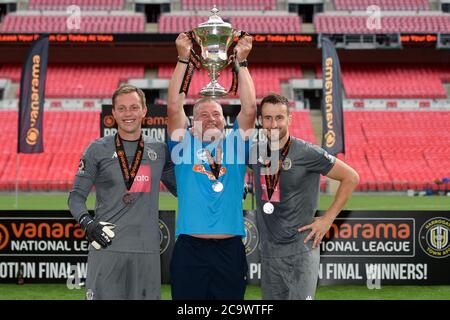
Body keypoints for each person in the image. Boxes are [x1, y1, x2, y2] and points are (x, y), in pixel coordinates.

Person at [167, 32, 256, 300]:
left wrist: (241, 63)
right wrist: (183, 60)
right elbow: (173, 107)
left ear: (224, 119)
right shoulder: (182, 146)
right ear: (192, 122)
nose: (210, 119)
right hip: (189, 248)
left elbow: (250, 109)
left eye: (216, 114)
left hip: (229, 250)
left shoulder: (237, 146)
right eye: (202, 115)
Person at [68, 84, 176, 300]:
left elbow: (184, 190)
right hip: (107, 248)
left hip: (147, 252)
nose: (129, 114)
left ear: (144, 111)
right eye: (123, 108)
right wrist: (87, 223)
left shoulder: (160, 150)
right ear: (114, 113)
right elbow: (76, 197)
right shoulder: (97, 149)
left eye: (134, 107)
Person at [250, 93, 359, 300]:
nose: (274, 124)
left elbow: (351, 178)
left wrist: (328, 219)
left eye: (279, 118)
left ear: (289, 119)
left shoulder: (307, 152)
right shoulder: (256, 151)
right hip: (269, 253)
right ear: (260, 120)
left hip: (299, 252)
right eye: (268, 118)